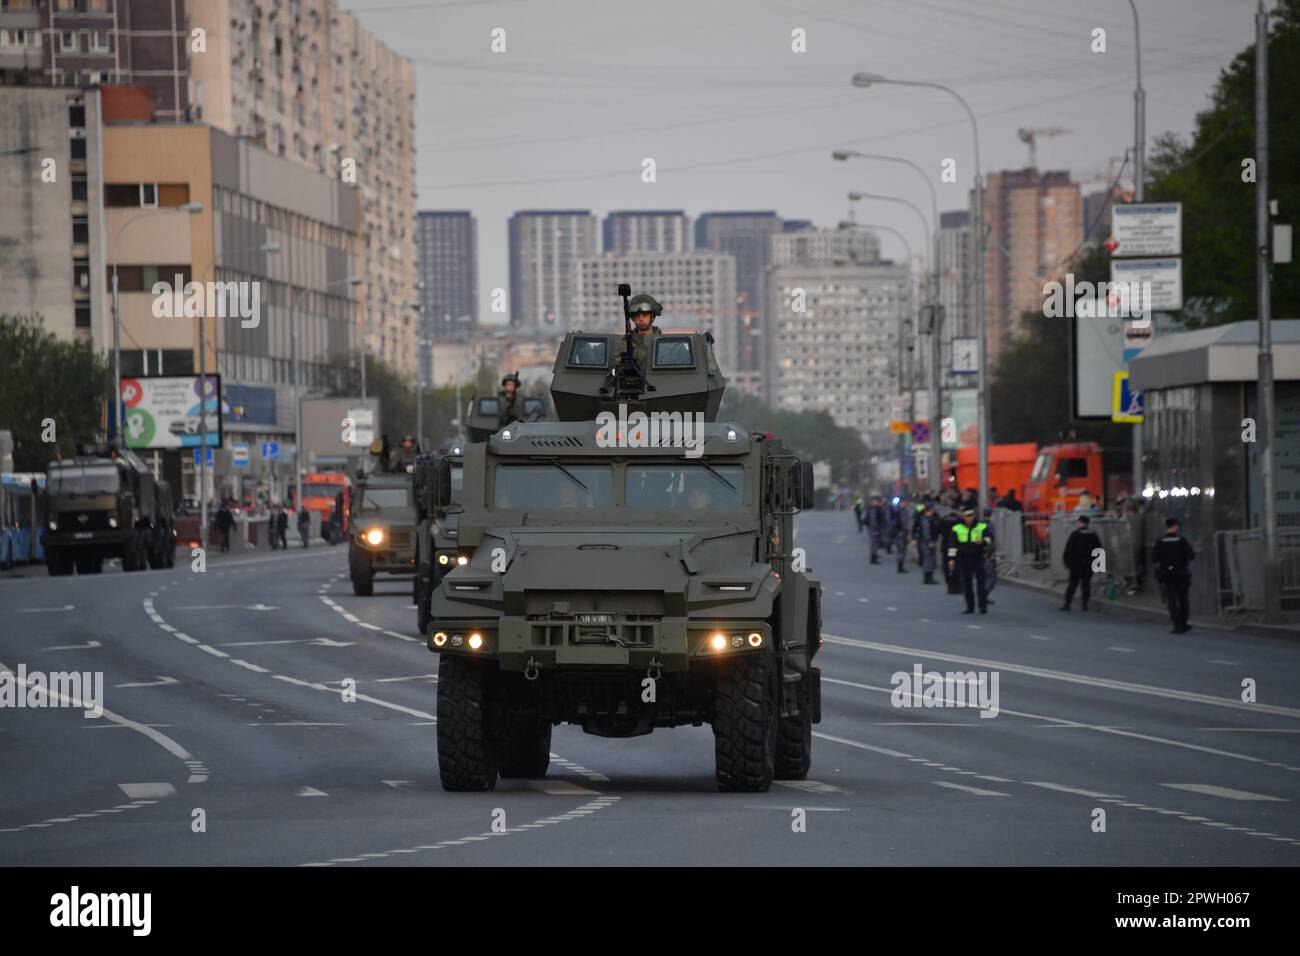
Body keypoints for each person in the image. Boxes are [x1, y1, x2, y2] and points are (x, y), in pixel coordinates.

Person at [1152, 516, 1195, 633]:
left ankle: (1177, 624)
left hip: (1167, 574)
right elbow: (1192, 555)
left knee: (1172, 600)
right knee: (1183, 599)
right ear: (1175, 526)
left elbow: (1153, 559)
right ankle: (1184, 622)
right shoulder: (1182, 540)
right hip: (1182, 574)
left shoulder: (1160, 541)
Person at [947, 508, 993, 614]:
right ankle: (970, 607)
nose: (969, 518)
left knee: (981, 583)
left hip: (978, 557)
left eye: (971, 516)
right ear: (963, 517)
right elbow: (952, 546)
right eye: (967, 516)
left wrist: (983, 541)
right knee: (967, 584)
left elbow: (990, 539)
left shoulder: (981, 527)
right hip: (963, 558)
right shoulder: (956, 528)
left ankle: (982, 606)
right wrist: (951, 560)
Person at [1061, 513, 1102, 611]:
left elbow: (1068, 549)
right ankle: (1084, 605)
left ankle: (1067, 604)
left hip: (1076, 563)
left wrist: (1066, 562)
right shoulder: (1093, 534)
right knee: (1086, 584)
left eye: (1078, 522)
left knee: (1072, 584)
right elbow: (1099, 549)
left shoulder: (1075, 534)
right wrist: (1099, 565)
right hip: (1089, 563)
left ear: (1080, 523)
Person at [614, 293, 663, 368]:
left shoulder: (663, 343)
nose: (641, 319)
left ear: (653, 317)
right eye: (637, 315)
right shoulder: (624, 342)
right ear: (633, 318)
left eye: (645, 315)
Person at [917, 502, 942, 585]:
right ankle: (928, 578)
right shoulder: (926, 519)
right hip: (927, 542)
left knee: (931, 560)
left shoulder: (930, 518)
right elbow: (926, 532)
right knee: (928, 560)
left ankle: (929, 577)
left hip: (929, 541)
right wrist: (929, 542)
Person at [866, 494, 885, 564]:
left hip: (876, 528)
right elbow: (873, 520)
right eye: (877, 501)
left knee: (876, 543)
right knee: (874, 543)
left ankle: (874, 555)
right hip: (874, 528)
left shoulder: (876, 508)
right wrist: (875, 530)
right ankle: (873, 559)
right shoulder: (873, 509)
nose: (879, 502)